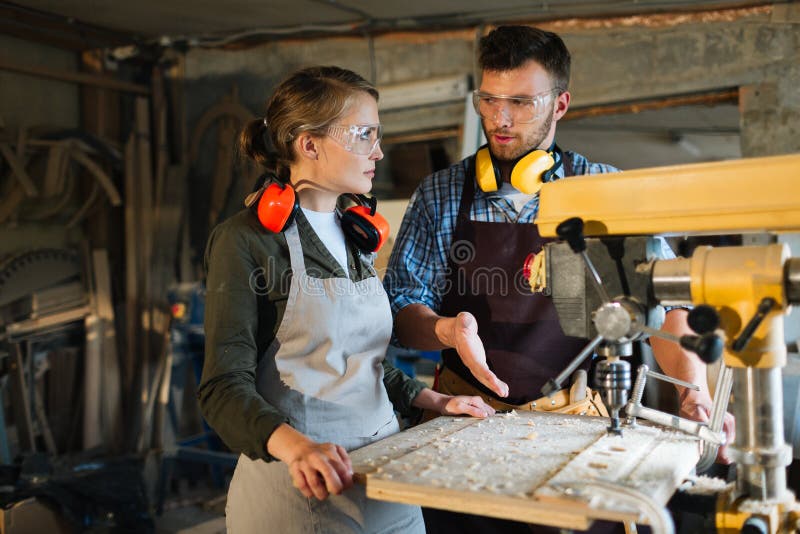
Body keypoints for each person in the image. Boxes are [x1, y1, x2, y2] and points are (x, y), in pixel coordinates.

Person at [385, 26, 735, 533]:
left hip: (573, 423)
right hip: (462, 422)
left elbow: (663, 303)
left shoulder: (601, 190)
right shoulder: (440, 194)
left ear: (561, 104)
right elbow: (401, 311)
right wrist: (445, 331)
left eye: (522, 103)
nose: (500, 119)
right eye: (489, 100)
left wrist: (692, 388)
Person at [198, 65, 495, 534]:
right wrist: (298, 448)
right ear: (308, 144)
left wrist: (430, 399)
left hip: (385, 476)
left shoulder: (355, 232)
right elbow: (222, 390)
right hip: (303, 488)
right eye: (363, 134)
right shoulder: (247, 241)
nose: (377, 151)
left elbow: (358, 361)